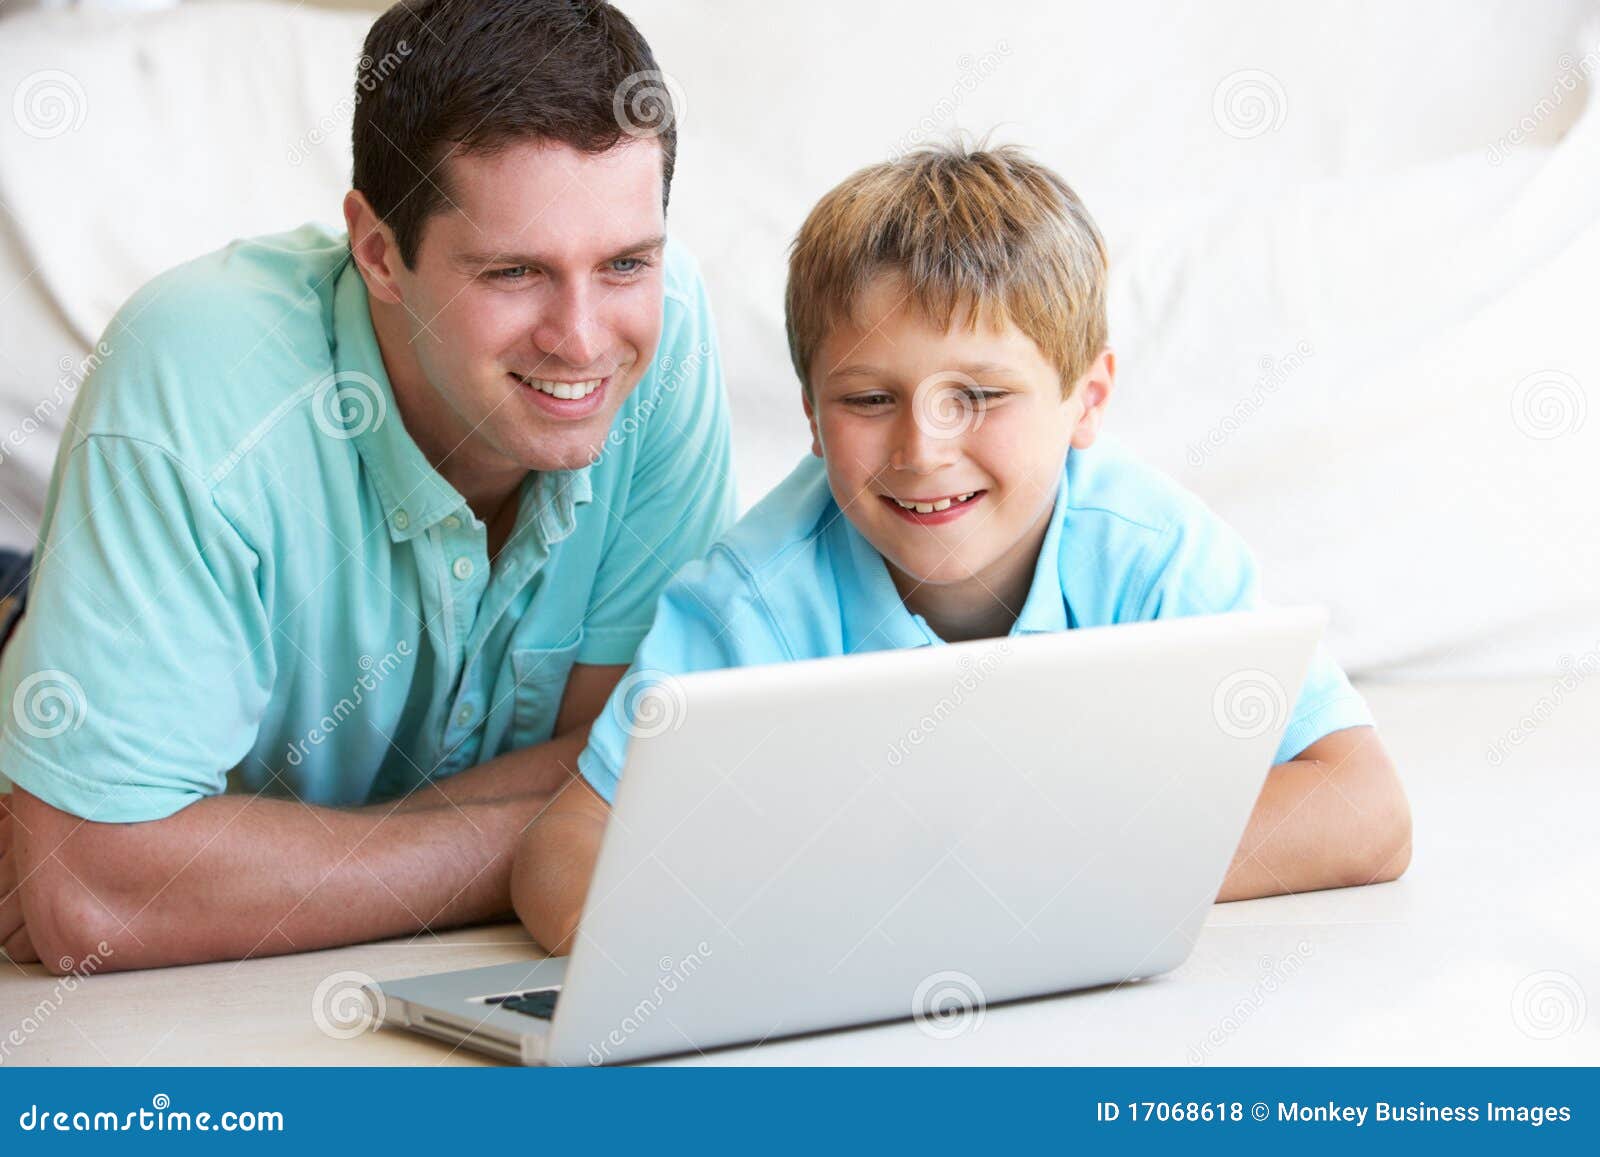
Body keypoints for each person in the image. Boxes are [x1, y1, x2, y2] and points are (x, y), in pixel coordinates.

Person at [511, 142, 1412, 955]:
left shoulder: (1151, 553)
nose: (922, 448)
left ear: (1087, 400)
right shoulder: (756, 599)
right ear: (812, 420)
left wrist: (1029, 878)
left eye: (979, 394)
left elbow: (1367, 810)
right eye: (868, 399)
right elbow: (562, 849)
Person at [0, 0, 735, 973]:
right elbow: (90, 895)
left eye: (625, 262)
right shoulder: (194, 371)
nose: (586, 337)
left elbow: (652, 765)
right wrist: (552, 835)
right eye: (515, 271)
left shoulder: (666, 340)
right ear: (380, 252)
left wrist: (245, 864)